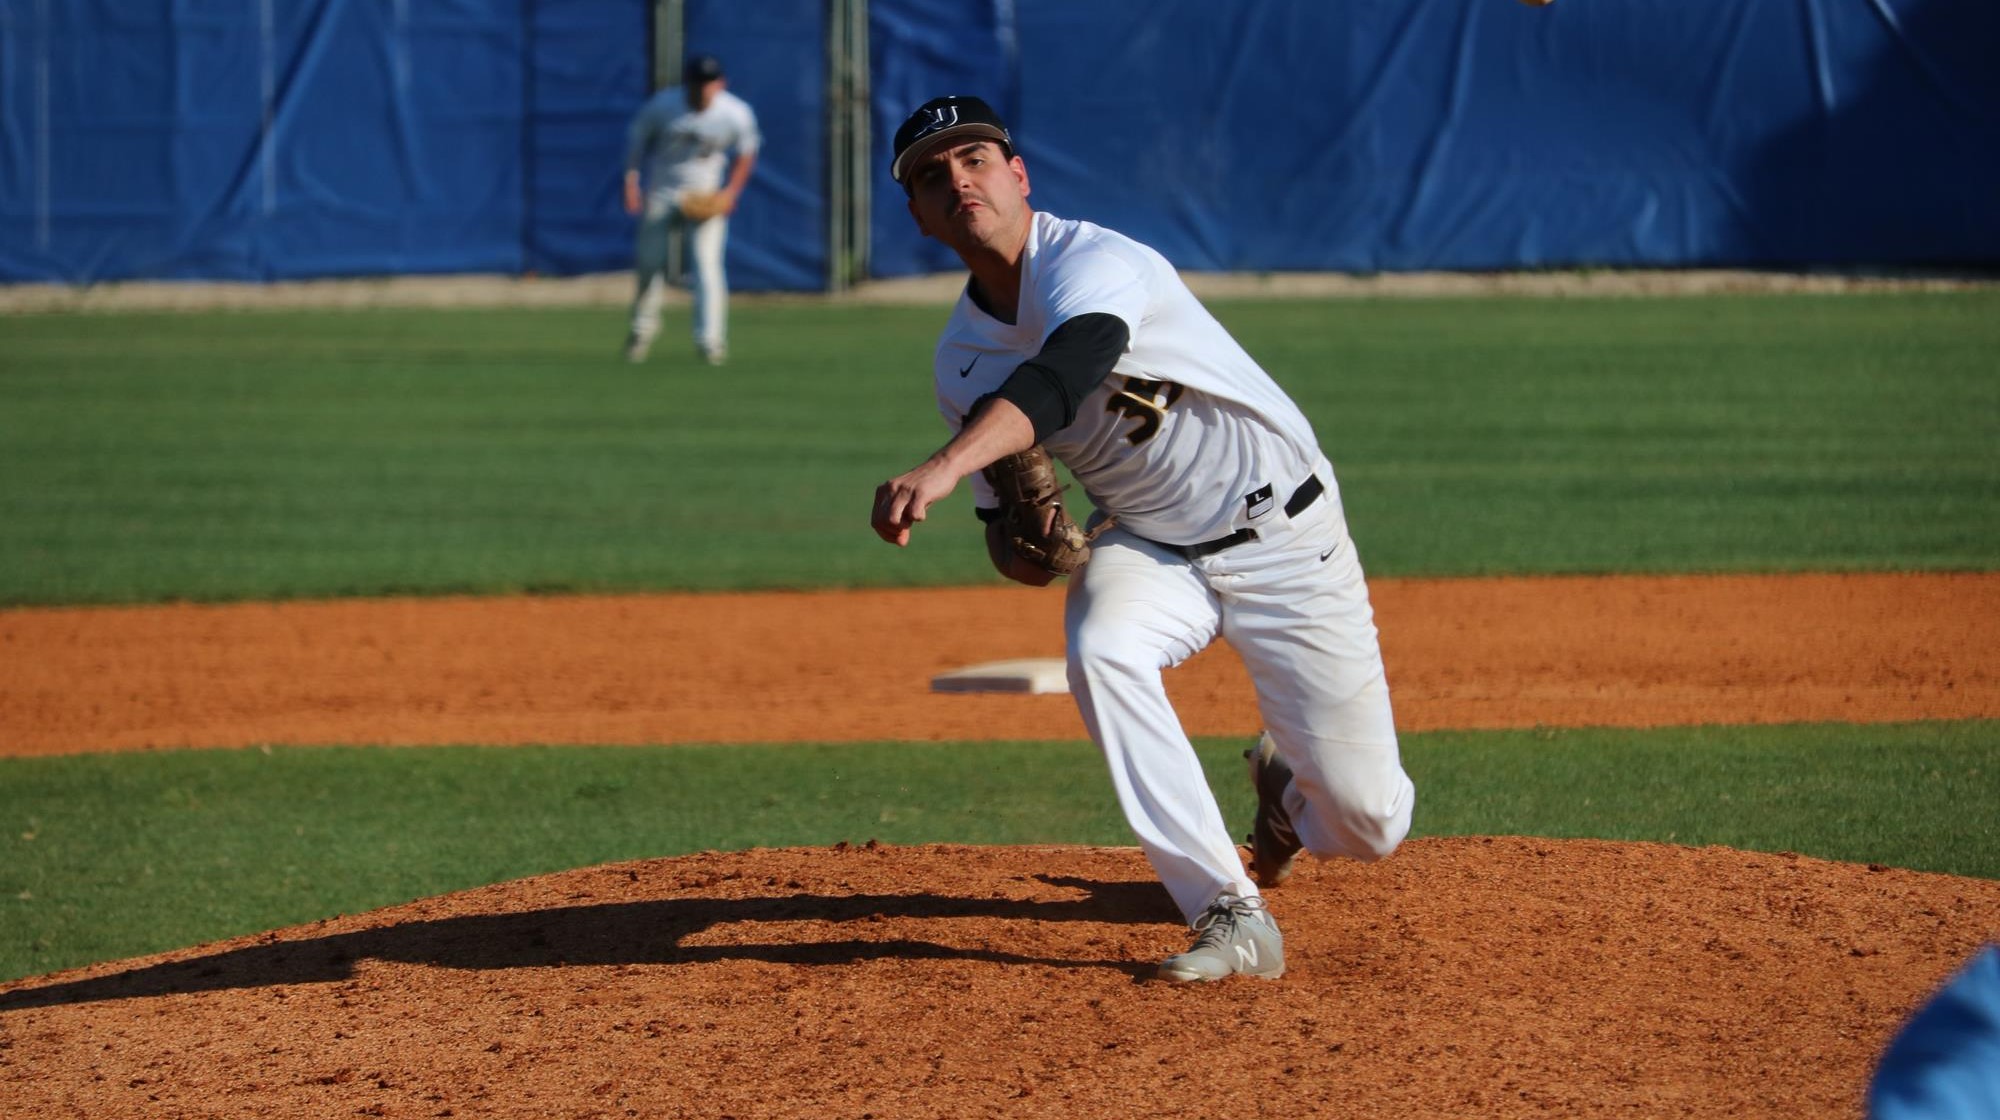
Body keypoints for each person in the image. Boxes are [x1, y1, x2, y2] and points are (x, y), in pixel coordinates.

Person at [869, 96, 1416, 983]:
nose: (957, 180)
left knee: (1368, 827)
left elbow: (1072, 361)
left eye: (974, 158)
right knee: (1101, 646)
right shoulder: (959, 361)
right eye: (932, 176)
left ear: (1019, 176)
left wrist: (939, 467)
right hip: (1149, 545)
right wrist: (1028, 540)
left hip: (1283, 534)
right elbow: (1010, 554)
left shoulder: (1095, 260)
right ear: (920, 218)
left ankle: (1287, 798)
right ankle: (1228, 911)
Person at [621, 54, 760, 366]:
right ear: (688, 83)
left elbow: (747, 151)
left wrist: (731, 191)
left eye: (709, 82)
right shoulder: (663, 106)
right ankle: (642, 330)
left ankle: (710, 341)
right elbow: (636, 141)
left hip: (706, 194)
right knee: (649, 264)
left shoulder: (734, 112)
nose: (704, 88)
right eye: (698, 82)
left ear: (720, 83)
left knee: (707, 268)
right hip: (663, 191)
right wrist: (630, 183)